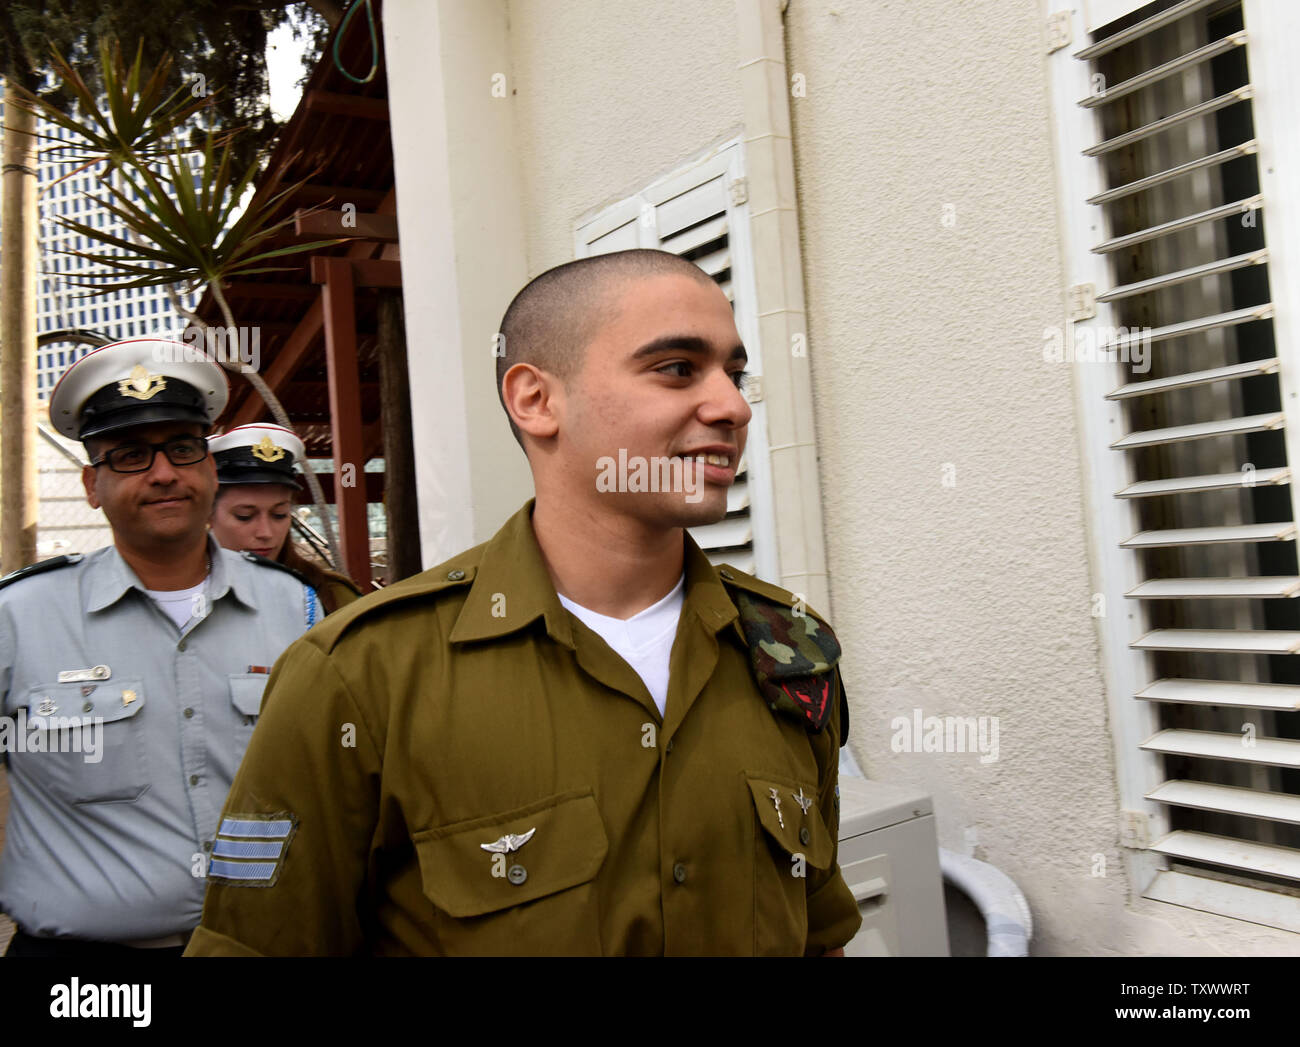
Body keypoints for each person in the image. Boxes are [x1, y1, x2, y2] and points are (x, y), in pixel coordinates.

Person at [185, 249, 860, 956]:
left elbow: (819, 932)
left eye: (735, 372)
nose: (731, 406)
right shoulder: (363, 675)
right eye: (677, 369)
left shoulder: (788, 649)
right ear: (536, 400)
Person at [0, 339, 324, 956]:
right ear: (92, 485)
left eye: (182, 448)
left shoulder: (295, 608)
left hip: (260, 944)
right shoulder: (17, 618)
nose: (164, 473)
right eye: (130, 456)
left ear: (209, 469)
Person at [208, 423, 362, 614]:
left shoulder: (332, 595)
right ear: (208, 514)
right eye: (244, 516)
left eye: (279, 515)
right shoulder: (182, 595)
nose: (266, 532)